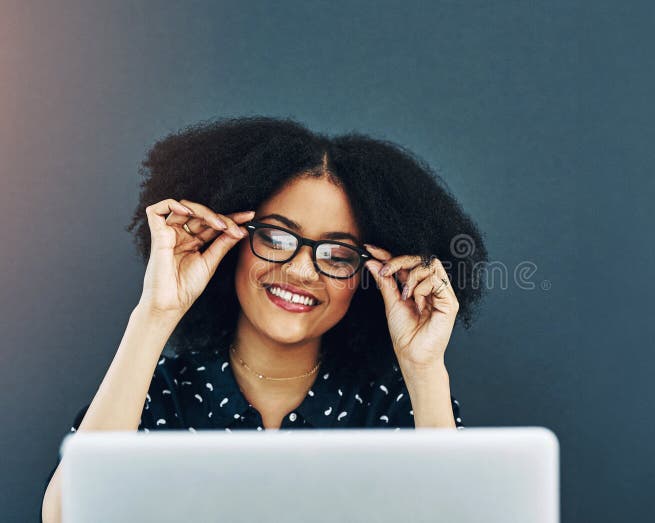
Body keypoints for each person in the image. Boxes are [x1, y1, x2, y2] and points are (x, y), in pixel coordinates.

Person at [40, 116, 488, 522]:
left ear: (370, 272)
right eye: (276, 237)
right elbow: (67, 517)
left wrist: (424, 367)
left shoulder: (392, 403)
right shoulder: (161, 394)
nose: (300, 270)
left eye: (336, 253)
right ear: (230, 239)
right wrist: (156, 312)